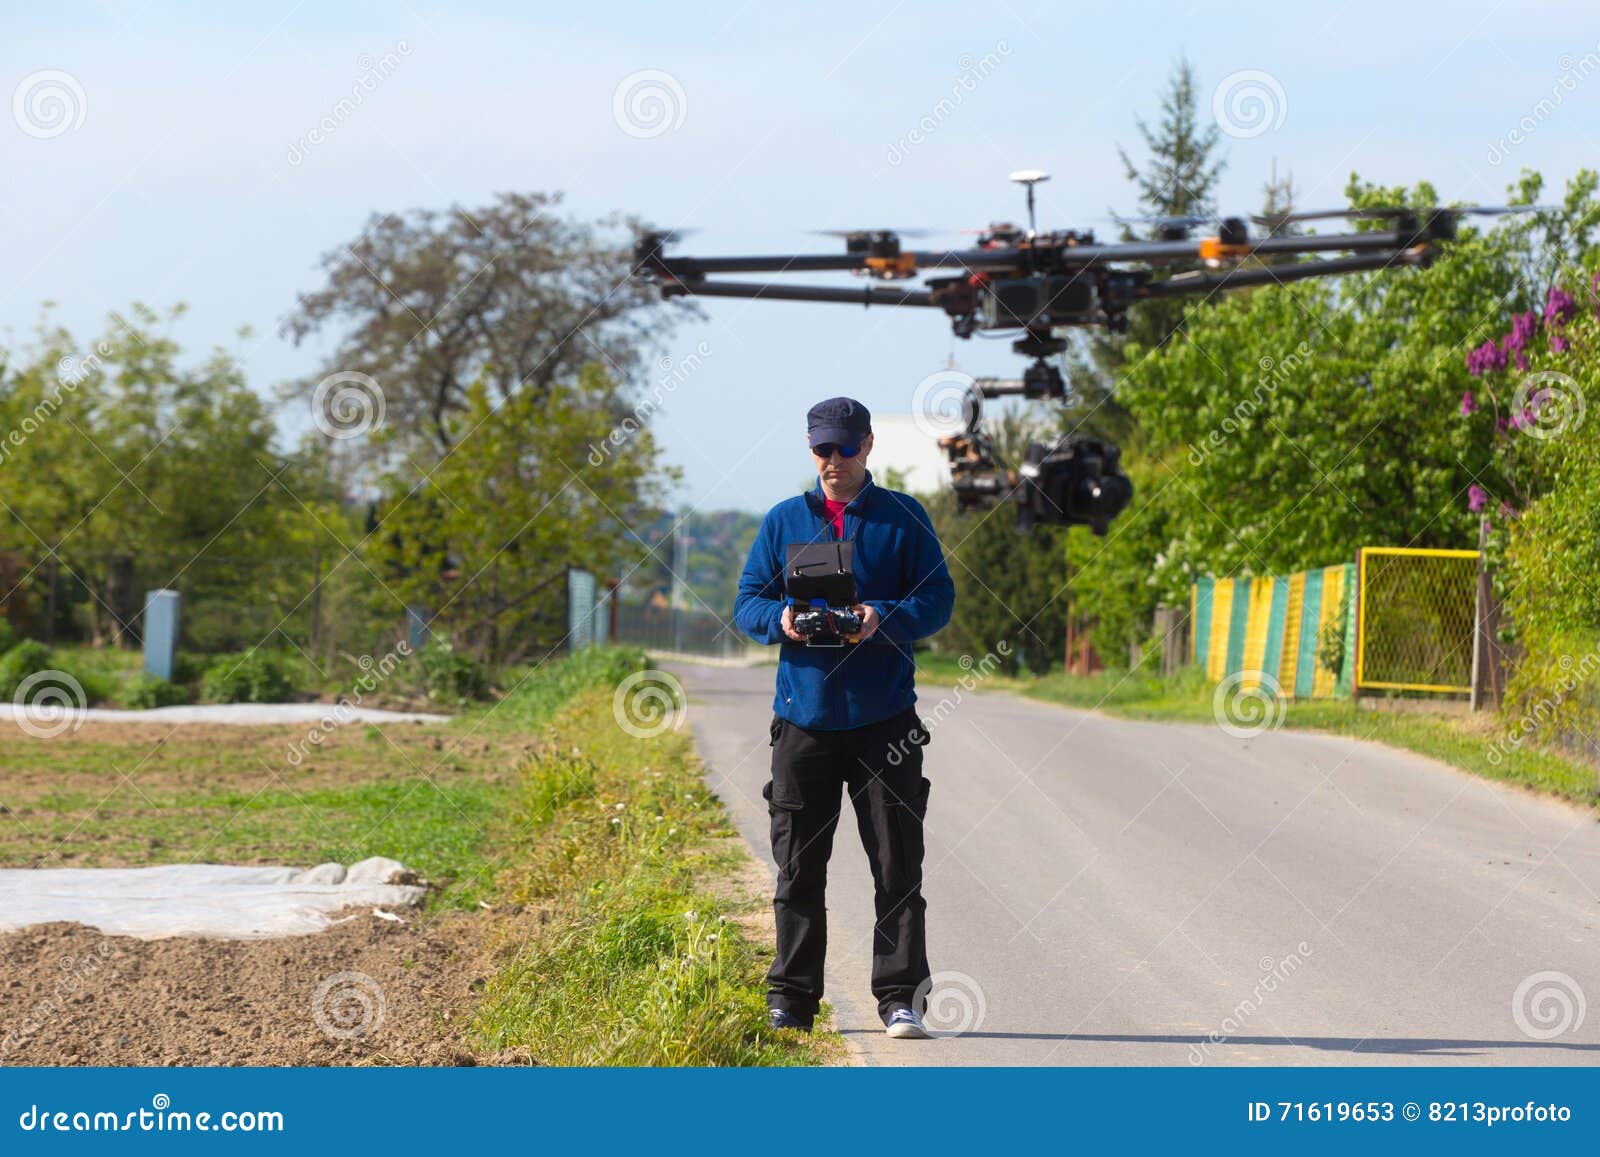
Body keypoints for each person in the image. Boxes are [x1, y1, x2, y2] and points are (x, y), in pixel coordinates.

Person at [732, 396, 956, 1039]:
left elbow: (939, 598)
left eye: (845, 447)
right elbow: (746, 602)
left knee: (897, 866)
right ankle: (792, 1002)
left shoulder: (902, 518)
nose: (833, 460)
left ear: (868, 446)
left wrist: (881, 616)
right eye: (821, 449)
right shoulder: (783, 520)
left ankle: (900, 999)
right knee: (798, 869)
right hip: (803, 721)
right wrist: (780, 619)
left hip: (885, 721)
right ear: (811, 450)